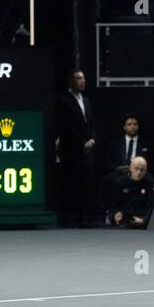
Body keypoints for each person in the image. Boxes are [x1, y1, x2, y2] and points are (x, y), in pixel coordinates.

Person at [56, 68, 97, 228]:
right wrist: (82, 143)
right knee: (70, 185)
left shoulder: (86, 101)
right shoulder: (63, 100)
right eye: (79, 78)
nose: (83, 81)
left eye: (84, 78)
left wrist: (92, 139)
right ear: (71, 81)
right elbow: (67, 126)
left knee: (84, 185)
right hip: (71, 151)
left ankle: (83, 218)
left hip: (87, 152)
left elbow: (92, 123)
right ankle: (67, 219)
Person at [103, 156, 154, 229]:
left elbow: (151, 206)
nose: (139, 172)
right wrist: (116, 213)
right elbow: (113, 202)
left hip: (141, 217)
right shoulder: (120, 182)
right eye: (136, 168)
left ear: (146, 170)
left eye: (142, 170)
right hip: (124, 217)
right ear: (130, 168)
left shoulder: (150, 183)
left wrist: (144, 220)